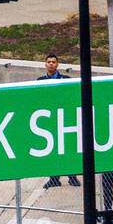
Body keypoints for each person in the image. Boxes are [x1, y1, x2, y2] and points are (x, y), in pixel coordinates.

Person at [39, 54, 80, 188]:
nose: (51, 64)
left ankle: (72, 176)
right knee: (52, 150)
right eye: (49, 62)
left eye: (53, 62)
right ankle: (54, 178)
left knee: (67, 148)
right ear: (45, 64)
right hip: (49, 121)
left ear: (57, 64)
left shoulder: (65, 80)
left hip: (64, 119)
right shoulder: (40, 81)